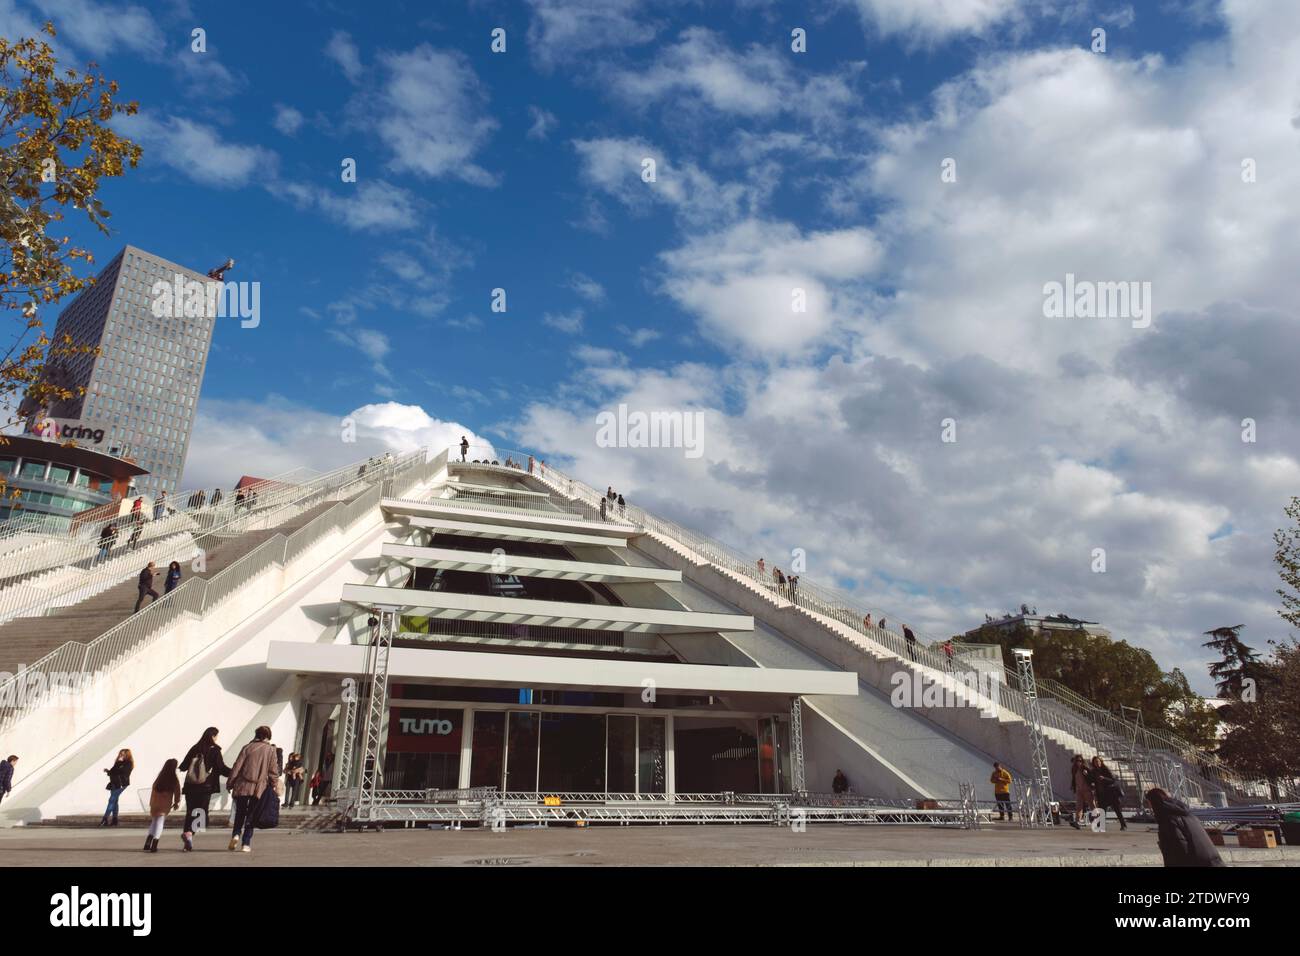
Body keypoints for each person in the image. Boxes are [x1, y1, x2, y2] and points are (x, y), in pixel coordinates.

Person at [226, 725, 280, 853]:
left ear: (256, 735)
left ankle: (236, 834)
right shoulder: (271, 750)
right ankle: (246, 843)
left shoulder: (247, 747)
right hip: (259, 788)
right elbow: (273, 771)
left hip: (243, 786)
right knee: (252, 815)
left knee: (240, 812)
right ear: (268, 736)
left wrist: (230, 782)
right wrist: (274, 784)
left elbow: (237, 766)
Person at [179, 726, 231, 851]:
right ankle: (190, 833)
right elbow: (221, 768)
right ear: (213, 736)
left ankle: (188, 836)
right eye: (216, 736)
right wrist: (234, 772)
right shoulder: (215, 750)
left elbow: (184, 766)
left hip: (191, 786)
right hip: (205, 787)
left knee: (190, 812)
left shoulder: (195, 748)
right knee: (202, 814)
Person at [1146, 788, 1225, 867]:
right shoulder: (1186, 814)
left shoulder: (1168, 820)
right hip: (1212, 862)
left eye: (1149, 804)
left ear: (1154, 802)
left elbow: (1179, 849)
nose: (1150, 808)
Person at [145, 759, 182, 852]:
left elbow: (153, 790)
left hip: (155, 803)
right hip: (164, 805)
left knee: (154, 822)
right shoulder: (174, 779)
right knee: (160, 823)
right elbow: (178, 792)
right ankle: (154, 844)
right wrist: (177, 802)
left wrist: (151, 803)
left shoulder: (159, 777)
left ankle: (147, 843)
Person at [1090, 756, 1128, 831]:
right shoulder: (1093, 771)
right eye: (1095, 762)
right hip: (1101, 794)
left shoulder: (1105, 769)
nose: (1097, 763)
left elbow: (1113, 780)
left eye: (1098, 762)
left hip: (1110, 793)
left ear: (1101, 762)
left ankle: (1123, 825)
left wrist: (1104, 778)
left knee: (1117, 809)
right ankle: (1102, 826)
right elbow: (1091, 779)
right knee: (1102, 810)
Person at [101, 749, 133, 826]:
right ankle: (115, 820)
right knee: (114, 801)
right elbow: (112, 772)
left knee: (112, 799)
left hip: (121, 784)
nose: (121, 755)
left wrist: (118, 764)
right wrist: (107, 771)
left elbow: (123, 772)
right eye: (120, 754)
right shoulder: (118, 763)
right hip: (114, 783)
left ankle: (105, 818)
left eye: (122, 754)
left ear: (127, 755)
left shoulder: (129, 763)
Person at [1069, 754, 1095, 829]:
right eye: (1077, 761)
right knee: (1079, 806)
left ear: (1082, 761)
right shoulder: (1074, 769)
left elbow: (1092, 778)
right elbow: (1074, 779)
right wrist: (1073, 786)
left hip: (1087, 789)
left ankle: (1098, 819)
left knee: (1092, 805)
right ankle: (1077, 822)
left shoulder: (1085, 768)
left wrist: (1087, 774)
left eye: (1080, 761)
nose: (1078, 762)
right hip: (1079, 790)